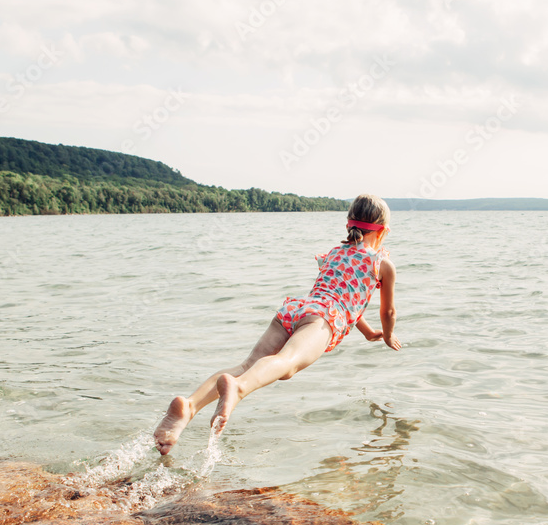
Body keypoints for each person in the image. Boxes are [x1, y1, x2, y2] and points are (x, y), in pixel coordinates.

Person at [153, 194, 401, 455]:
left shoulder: (334, 253)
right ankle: (238, 388)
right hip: (323, 319)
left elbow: (345, 298)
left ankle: (189, 406)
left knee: (249, 364)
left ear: (349, 224)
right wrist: (386, 334)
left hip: (296, 309)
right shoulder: (382, 264)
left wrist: (367, 332)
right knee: (287, 362)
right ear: (383, 231)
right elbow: (388, 310)